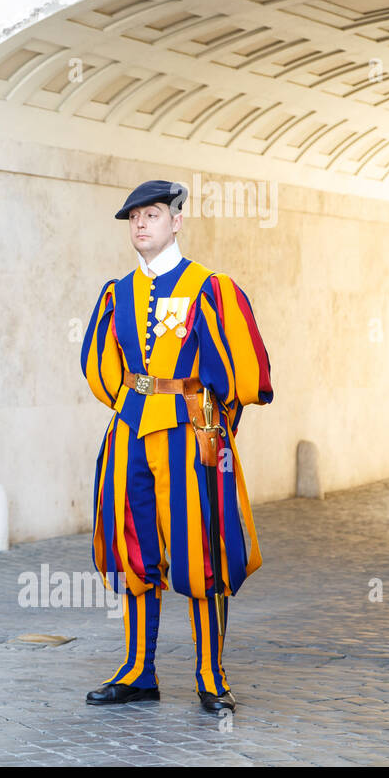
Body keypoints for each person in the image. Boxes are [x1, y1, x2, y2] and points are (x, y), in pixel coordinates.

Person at [80, 180, 273, 714]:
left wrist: (215, 424)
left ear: (176, 221)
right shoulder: (116, 292)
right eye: (134, 217)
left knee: (202, 549)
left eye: (153, 214)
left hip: (192, 435)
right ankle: (139, 670)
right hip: (130, 434)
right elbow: (100, 369)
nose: (141, 224)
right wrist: (129, 406)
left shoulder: (210, 287)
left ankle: (211, 676)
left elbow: (244, 370)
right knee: (134, 548)